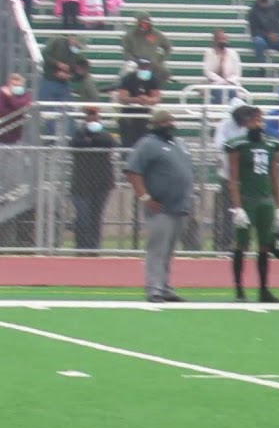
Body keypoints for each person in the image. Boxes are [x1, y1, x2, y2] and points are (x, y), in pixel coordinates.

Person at [124, 108, 193, 303]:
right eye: (165, 122)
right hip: (160, 206)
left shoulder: (179, 143)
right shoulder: (147, 144)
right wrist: (145, 197)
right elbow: (132, 171)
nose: (169, 125)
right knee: (157, 249)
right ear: (155, 125)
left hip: (180, 204)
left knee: (169, 250)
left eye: (171, 121)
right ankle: (154, 288)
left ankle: (165, 286)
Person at [224, 107, 279, 303]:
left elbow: (275, 177)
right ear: (246, 122)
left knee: (265, 245)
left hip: (265, 199)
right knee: (241, 244)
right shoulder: (238, 145)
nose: (258, 123)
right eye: (254, 120)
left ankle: (264, 290)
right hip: (247, 198)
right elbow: (233, 178)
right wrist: (238, 206)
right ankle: (239, 290)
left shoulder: (271, 144)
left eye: (260, 119)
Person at [68, 106, 117, 250]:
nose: (93, 118)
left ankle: (94, 247)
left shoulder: (105, 134)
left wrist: (92, 138)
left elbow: (109, 143)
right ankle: (82, 247)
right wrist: (86, 135)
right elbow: (77, 143)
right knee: (83, 216)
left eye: (95, 115)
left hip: (101, 183)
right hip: (81, 184)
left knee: (96, 217)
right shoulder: (79, 133)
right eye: (90, 115)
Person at [213, 100, 250, 252]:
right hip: (228, 175)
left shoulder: (249, 125)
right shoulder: (224, 125)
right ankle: (225, 243)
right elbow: (220, 145)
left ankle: (243, 242)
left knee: (246, 211)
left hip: (246, 175)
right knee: (229, 210)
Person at [114, 58, 162, 148]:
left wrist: (147, 100)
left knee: (144, 142)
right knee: (128, 142)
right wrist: (136, 99)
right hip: (128, 115)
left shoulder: (152, 79)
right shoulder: (128, 78)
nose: (144, 69)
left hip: (145, 116)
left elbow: (157, 98)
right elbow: (122, 98)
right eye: (142, 67)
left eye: (146, 67)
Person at [121, 12, 172, 83]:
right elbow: (126, 52)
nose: (144, 25)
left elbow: (167, 47)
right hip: (136, 62)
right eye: (142, 22)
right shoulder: (129, 35)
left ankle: (153, 89)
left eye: (146, 23)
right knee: (129, 69)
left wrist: (160, 59)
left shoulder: (156, 34)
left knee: (164, 72)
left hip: (152, 63)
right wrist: (135, 60)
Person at [202, 30, 242, 105]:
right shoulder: (209, 53)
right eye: (220, 39)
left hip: (231, 83)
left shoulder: (233, 54)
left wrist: (228, 81)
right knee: (219, 91)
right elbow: (207, 71)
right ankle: (217, 113)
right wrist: (221, 81)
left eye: (223, 38)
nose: (222, 41)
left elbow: (237, 73)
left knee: (231, 92)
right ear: (215, 40)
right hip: (214, 83)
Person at [0, 74, 33, 144]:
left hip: (17, 134)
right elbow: (1, 110)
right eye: (14, 85)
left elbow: (21, 107)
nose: (17, 87)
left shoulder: (25, 95)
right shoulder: (1, 94)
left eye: (19, 86)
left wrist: (10, 97)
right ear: (8, 84)